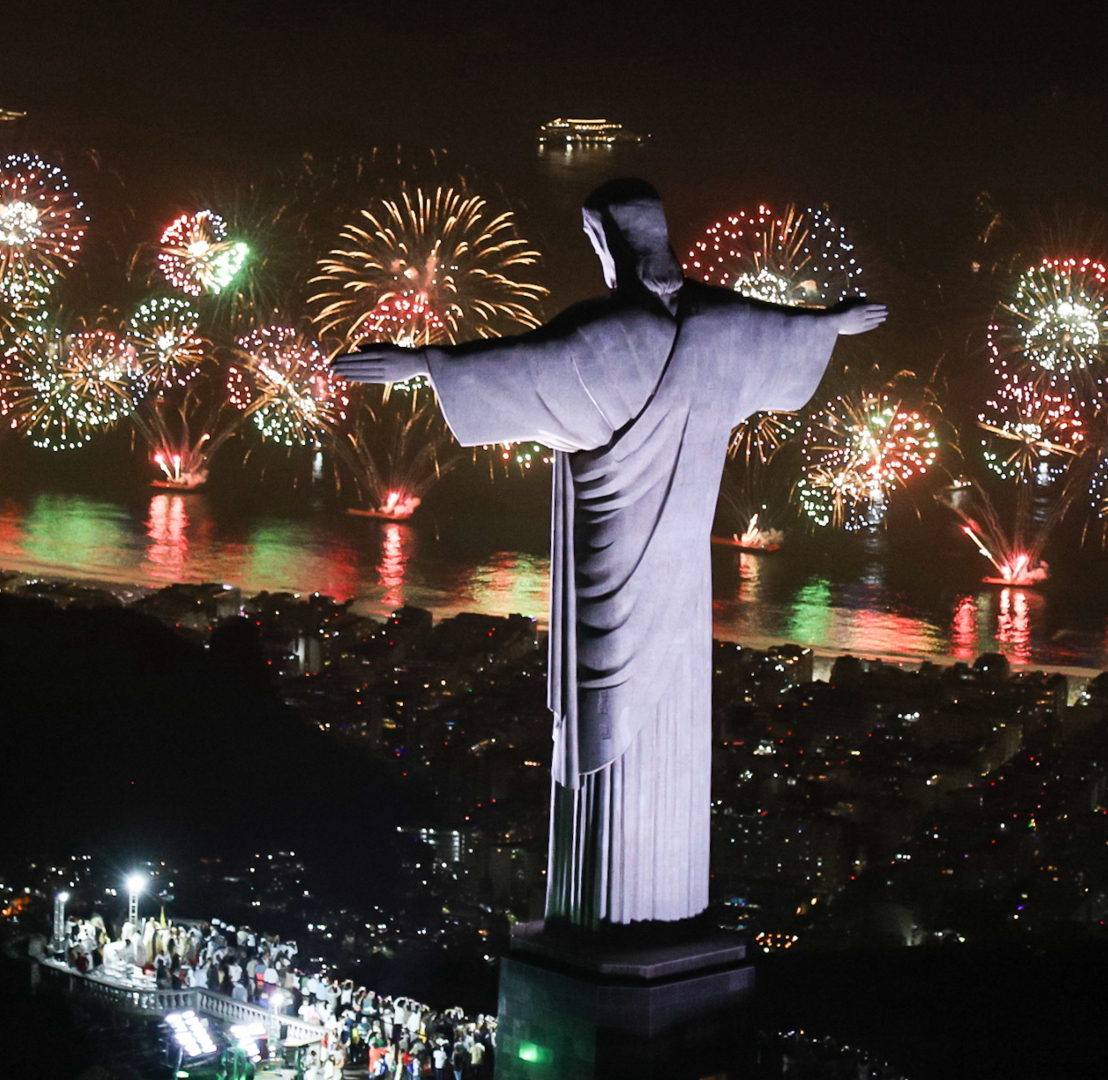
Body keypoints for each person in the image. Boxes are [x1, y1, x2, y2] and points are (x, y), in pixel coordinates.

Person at [333, 178, 885, 928]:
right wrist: (832, 325)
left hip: (609, 568)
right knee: (669, 730)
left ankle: (608, 917)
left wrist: (426, 364)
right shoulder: (721, 326)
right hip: (685, 588)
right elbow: (785, 333)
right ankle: (664, 909)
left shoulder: (610, 337)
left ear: (605, 244)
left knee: (606, 728)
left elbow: (520, 368)